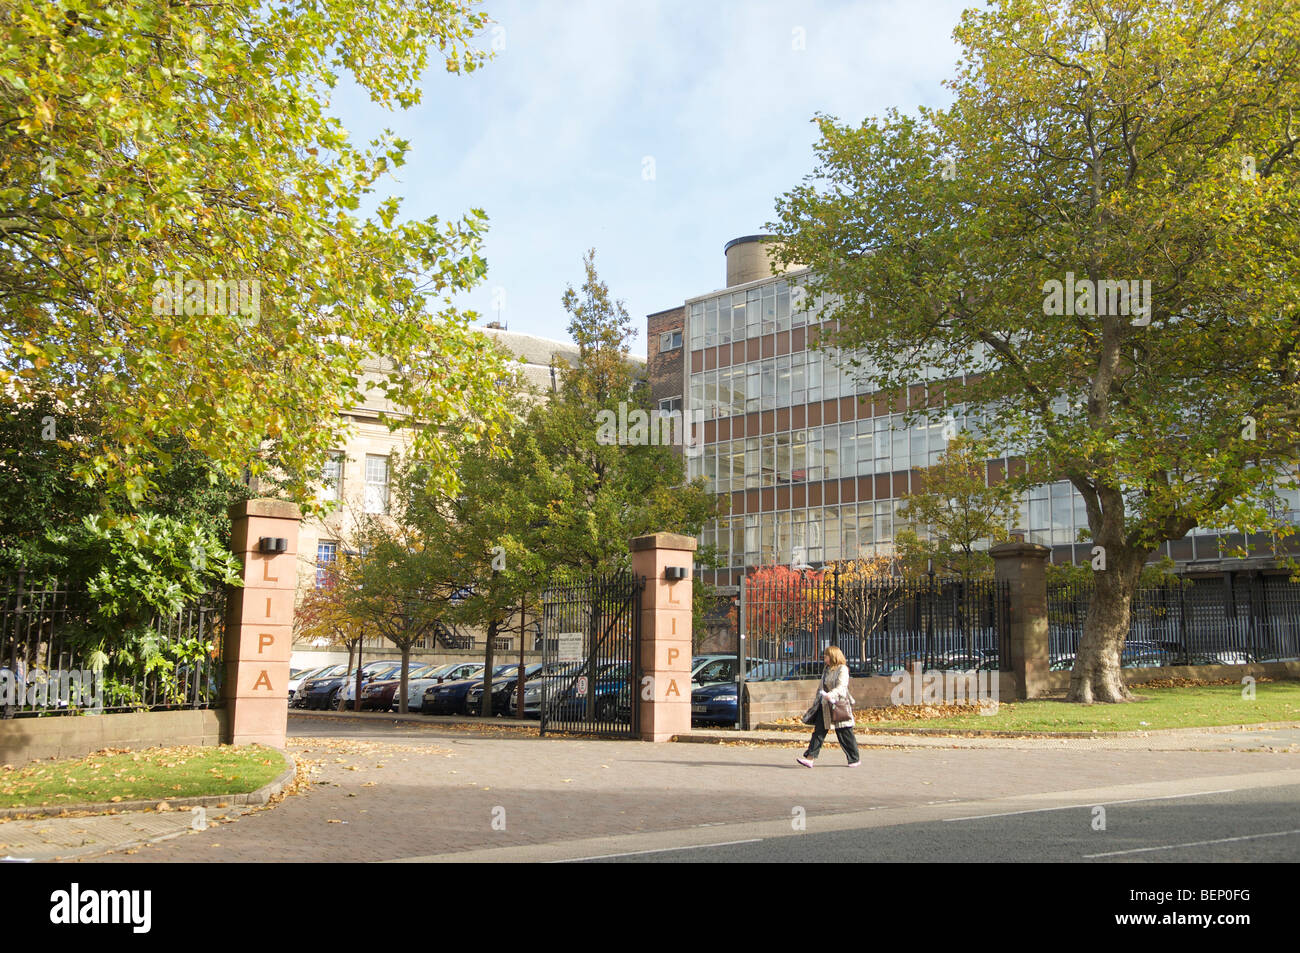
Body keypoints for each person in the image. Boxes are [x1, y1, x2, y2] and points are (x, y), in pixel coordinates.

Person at [796, 646, 860, 768]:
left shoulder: (842, 669)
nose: (824, 658)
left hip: (838, 704)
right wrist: (818, 701)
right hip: (825, 705)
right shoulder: (826, 669)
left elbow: (842, 687)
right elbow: (821, 686)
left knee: (844, 732)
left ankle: (854, 758)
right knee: (819, 732)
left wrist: (831, 694)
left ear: (833, 656)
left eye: (826, 656)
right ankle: (810, 758)